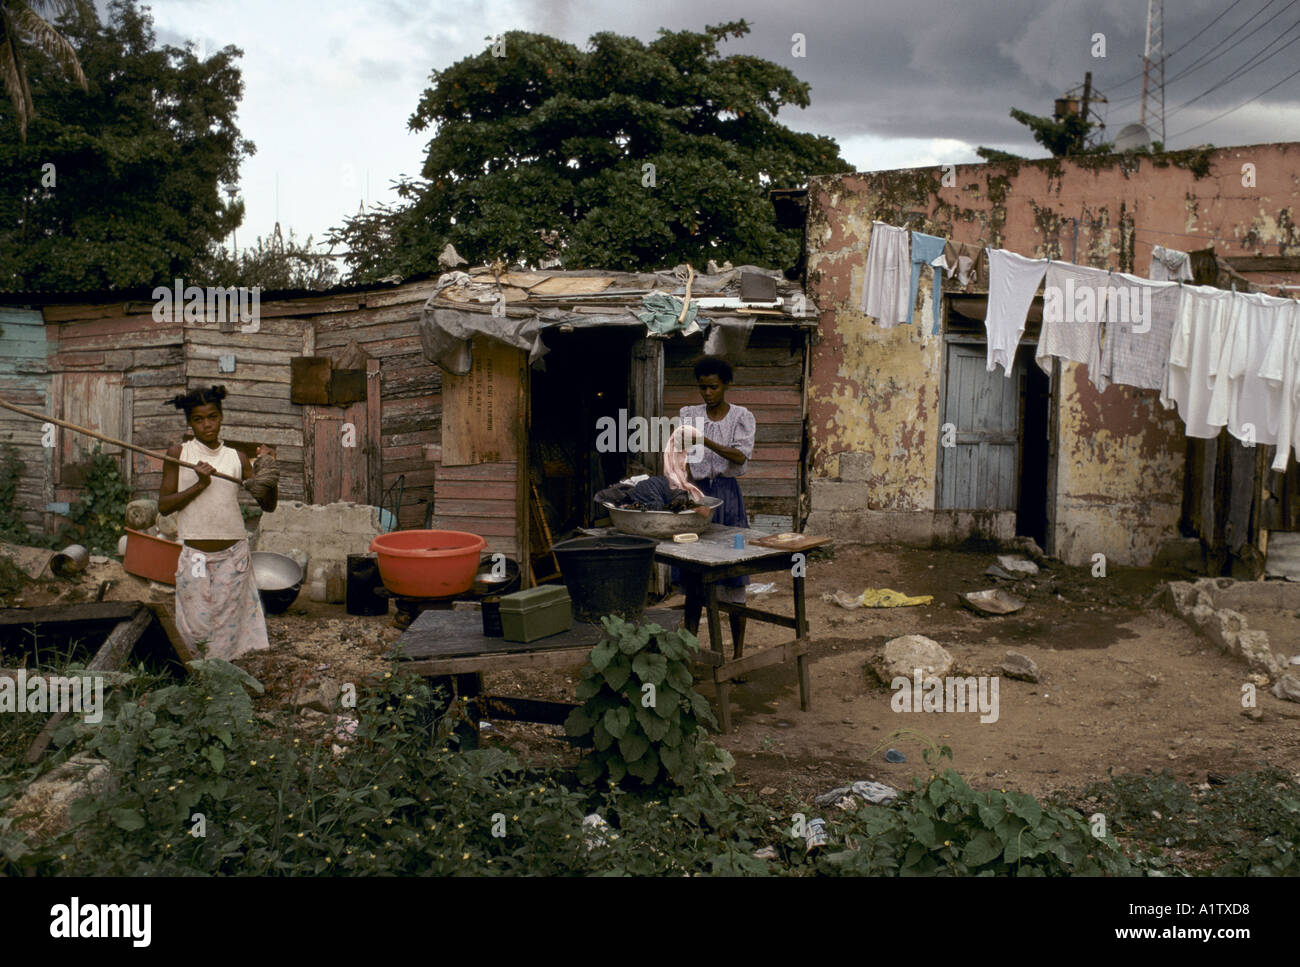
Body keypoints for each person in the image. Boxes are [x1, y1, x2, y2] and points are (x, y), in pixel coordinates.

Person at [158, 386, 279, 661]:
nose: (207, 424)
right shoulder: (179, 454)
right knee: (195, 625)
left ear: (221, 416)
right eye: (199, 419)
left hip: (233, 554)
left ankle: (228, 680)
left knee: (231, 625)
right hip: (196, 555)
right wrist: (200, 484)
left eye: (212, 416)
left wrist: (268, 470)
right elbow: (164, 506)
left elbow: (268, 504)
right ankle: (198, 680)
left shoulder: (235, 457)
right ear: (190, 422)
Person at [676, 355, 756, 659]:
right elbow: (682, 455)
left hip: (728, 497)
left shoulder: (741, 417)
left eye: (713, 387)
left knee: (735, 575)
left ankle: (736, 655)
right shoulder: (689, 414)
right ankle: (690, 654)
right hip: (698, 496)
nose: (707, 393)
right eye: (702, 388)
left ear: (725, 386)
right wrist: (682, 488)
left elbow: (739, 456)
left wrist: (705, 441)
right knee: (695, 575)